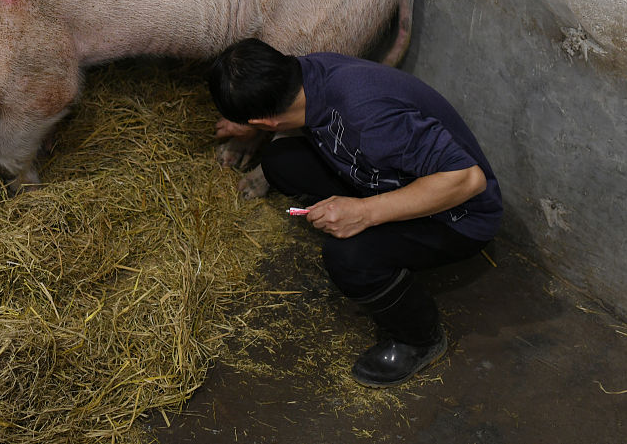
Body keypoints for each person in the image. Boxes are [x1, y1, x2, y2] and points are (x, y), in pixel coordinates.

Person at [208, 39, 503, 388]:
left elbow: (468, 180)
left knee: (347, 259)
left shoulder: (368, 118)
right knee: (280, 162)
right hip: (387, 178)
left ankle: (417, 339)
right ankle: (372, 240)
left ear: (264, 121)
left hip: (457, 215)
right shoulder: (307, 72)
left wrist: (363, 213)